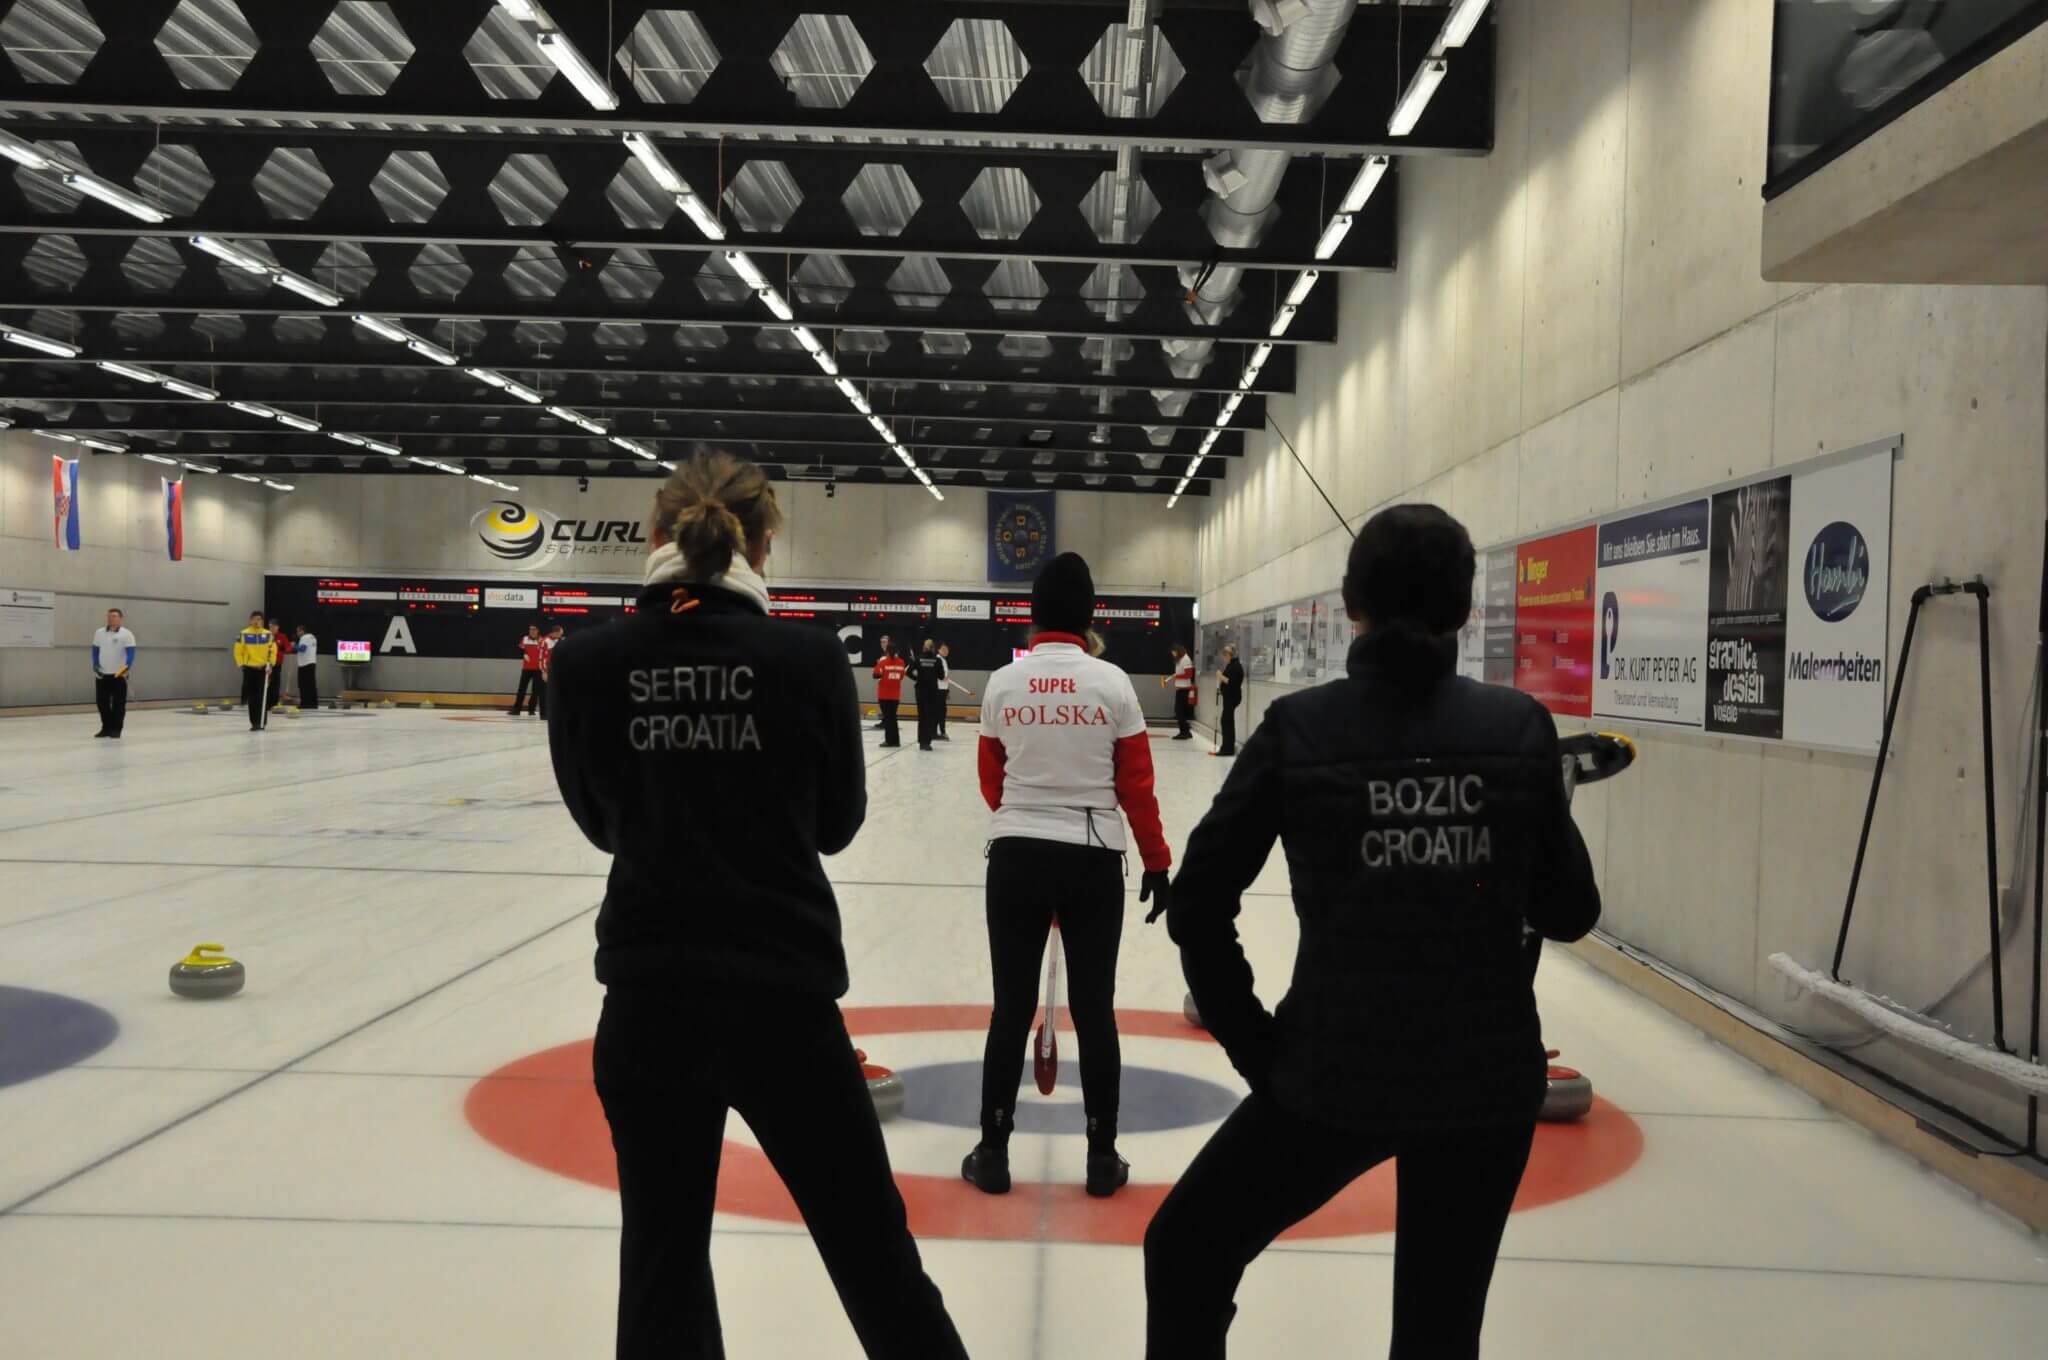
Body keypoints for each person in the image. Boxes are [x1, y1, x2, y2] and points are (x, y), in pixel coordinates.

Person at [1143, 504, 1602, 1359]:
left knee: (1186, 1249)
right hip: (1483, 1086)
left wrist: (1261, 1051)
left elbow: (1198, 897)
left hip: (1332, 1076)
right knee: (1437, 1334)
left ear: (1352, 605)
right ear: (1464, 611)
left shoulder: (1302, 729)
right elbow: (1571, 911)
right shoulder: (1518, 730)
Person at [545, 450, 968, 1360]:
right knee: (874, 1260)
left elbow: (599, 820)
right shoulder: (806, 660)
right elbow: (839, 825)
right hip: (781, 1006)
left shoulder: (584, 666)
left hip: (648, 1009)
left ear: (656, 538)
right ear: (762, 546)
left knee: (661, 1277)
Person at [966, 552, 1173, 1199]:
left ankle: (994, 1152)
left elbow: (991, 780)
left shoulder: (1004, 684)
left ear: (1032, 613)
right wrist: (1158, 862)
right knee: (1094, 1012)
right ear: (1090, 615)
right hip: (1092, 859)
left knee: (1010, 1010)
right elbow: (1136, 786)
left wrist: (1028, 826)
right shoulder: (1112, 684)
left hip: (1017, 856)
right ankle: (1101, 1158)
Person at [91, 606, 135, 739]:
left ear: (120, 619)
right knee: (102, 703)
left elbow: (131, 654)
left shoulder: (127, 634)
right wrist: (95, 665)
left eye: (114, 616)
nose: (111, 619)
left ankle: (116, 729)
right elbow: (95, 651)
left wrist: (125, 668)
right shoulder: (99, 633)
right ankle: (106, 727)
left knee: (118, 704)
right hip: (103, 674)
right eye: (109, 616)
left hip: (119, 675)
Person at [232, 611, 277, 732]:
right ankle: (255, 723)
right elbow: (237, 651)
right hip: (249, 669)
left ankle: (262, 721)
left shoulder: (268, 634)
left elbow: (273, 650)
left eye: (259, 619)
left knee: (262, 696)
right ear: (250, 620)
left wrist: (271, 664)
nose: (257, 621)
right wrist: (241, 665)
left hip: (263, 669)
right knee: (252, 697)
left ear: (262, 621)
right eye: (255, 619)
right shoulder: (243, 634)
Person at [934, 641, 973, 741]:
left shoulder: (943, 660)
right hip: (938, 690)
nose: (946, 651)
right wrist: (943, 678)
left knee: (941, 711)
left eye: (947, 649)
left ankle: (939, 732)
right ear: (938, 650)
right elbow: (938, 675)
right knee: (939, 712)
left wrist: (947, 689)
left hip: (943, 689)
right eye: (943, 649)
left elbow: (944, 677)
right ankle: (938, 732)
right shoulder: (938, 660)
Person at [873, 639, 907, 747]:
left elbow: (875, 675)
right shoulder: (901, 662)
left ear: (887, 651)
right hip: (895, 695)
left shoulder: (883, 662)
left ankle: (889, 741)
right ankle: (896, 741)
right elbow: (901, 677)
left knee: (887, 719)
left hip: (884, 694)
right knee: (893, 718)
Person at [911, 638, 943, 752]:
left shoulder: (918, 659)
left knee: (922, 716)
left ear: (924, 647)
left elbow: (908, 671)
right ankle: (927, 742)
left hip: (920, 691)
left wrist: (917, 678)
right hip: (932, 691)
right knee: (930, 717)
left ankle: (921, 742)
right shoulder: (937, 660)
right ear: (933, 648)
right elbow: (941, 676)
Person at [1214, 644, 1245, 758]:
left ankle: (1227, 748)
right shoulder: (1231, 665)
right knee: (1227, 721)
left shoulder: (1235, 666)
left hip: (1232, 698)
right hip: (1229, 697)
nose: (1224, 658)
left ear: (1229, 655)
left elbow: (1231, 682)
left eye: (1225, 656)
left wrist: (1220, 676)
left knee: (1226, 722)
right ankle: (1226, 747)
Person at [1162, 644, 1196, 739]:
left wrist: (1177, 676)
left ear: (1178, 651)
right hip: (1180, 688)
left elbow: (1188, 675)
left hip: (1184, 689)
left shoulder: (1186, 660)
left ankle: (1184, 732)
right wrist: (1174, 676)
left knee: (1179, 711)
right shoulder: (1180, 660)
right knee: (1180, 711)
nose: (1173, 654)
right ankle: (1185, 731)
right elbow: (1181, 673)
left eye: (1174, 652)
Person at [510, 624, 544, 715]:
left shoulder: (542, 640)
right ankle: (516, 709)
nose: (532, 631)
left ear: (538, 630)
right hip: (526, 668)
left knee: (535, 690)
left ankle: (531, 709)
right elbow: (520, 650)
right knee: (522, 688)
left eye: (534, 629)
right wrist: (524, 654)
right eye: (530, 629)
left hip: (538, 669)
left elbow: (545, 653)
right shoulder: (525, 638)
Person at [537, 624, 564, 718]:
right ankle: (543, 714)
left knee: (555, 693)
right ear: (555, 633)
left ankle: (554, 712)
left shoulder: (559, 640)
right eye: (560, 633)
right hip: (546, 671)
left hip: (556, 670)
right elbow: (540, 658)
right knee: (544, 693)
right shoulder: (545, 641)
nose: (561, 635)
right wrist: (543, 672)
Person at [295, 624, 320, 712]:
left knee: (303, 685)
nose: (297, 633)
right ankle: (313, 703)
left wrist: (294, 645)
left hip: (304, 665)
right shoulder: (313, 637)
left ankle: (305, 703)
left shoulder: (305, 638)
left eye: (298, 631)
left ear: (302, 631)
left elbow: (302, 649)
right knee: (311, 685)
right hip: (312, 663)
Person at [871, 635, 892, 730]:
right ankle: (885, 719)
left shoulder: (891, 654)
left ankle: (888, 721)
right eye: (881, 642)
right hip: (881, 680)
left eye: (884, 642)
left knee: (887, 702)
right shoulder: (882, 653)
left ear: (889, 643)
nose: (883, 644)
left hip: (889, 682)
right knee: (882, 702)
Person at [266, 617, 288, 713]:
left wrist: (281, 652)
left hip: (277, 664)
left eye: (274, 626)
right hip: (266, 664)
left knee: (275, 684)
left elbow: (288, 647)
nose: (272, 628)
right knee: (266, 684)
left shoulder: (282, 637)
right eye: (270, 626)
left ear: (278, 627)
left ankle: (273, 704)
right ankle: (265, 704)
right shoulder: (265, 635)